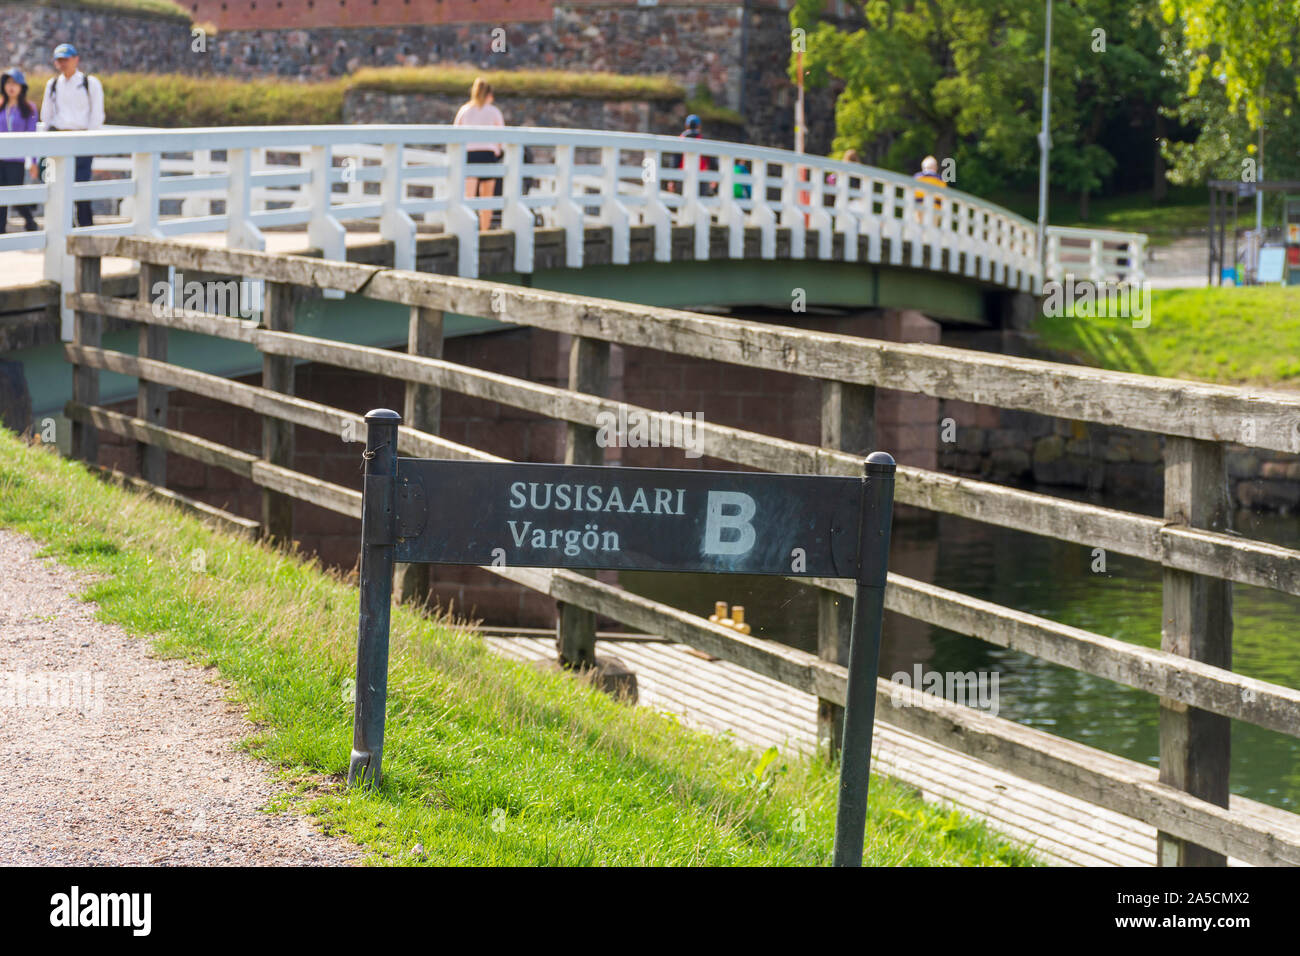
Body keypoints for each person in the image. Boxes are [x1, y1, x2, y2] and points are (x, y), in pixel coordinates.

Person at [39, 43, 105, 229]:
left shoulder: (89, 83)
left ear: (76, 59)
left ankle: (85, 229)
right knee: (56, 186)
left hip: (81, 139)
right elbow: (46, 116)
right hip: (58, 139)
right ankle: (60, 228)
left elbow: (96, 115)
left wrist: (91, 141)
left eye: (66, 59)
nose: (63, 64)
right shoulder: (52, 84)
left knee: (80, 187)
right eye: (59, 60)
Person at [453, 78, 504, 231]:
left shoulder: (465, 110)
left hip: (470, 155)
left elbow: (456, 132)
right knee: (486, 197)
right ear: (489, 94)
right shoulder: (494, 111)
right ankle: (484, 230)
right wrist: (498, 151)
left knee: (469, 196)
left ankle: (466, 228)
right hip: (488, 155)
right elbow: (501, 135)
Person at [1, 67, 39, 233]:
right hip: (1, 157)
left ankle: (30, 221)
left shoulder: (29, 108)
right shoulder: (1, 106)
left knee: (15, 194)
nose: (11, 87)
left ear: (22, 87)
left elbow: (32, 136)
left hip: (16, 159)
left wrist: (34, 162)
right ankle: (1, 229)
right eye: (8, 83)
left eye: (15, 83)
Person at [913, 154, 947, 223]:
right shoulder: (940, 180)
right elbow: (944, 195)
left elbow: (913, 193)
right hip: (935, 208)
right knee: (932, 229)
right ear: (935, 167)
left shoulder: (917, 178)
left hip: (919, 207)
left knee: (918, 226)